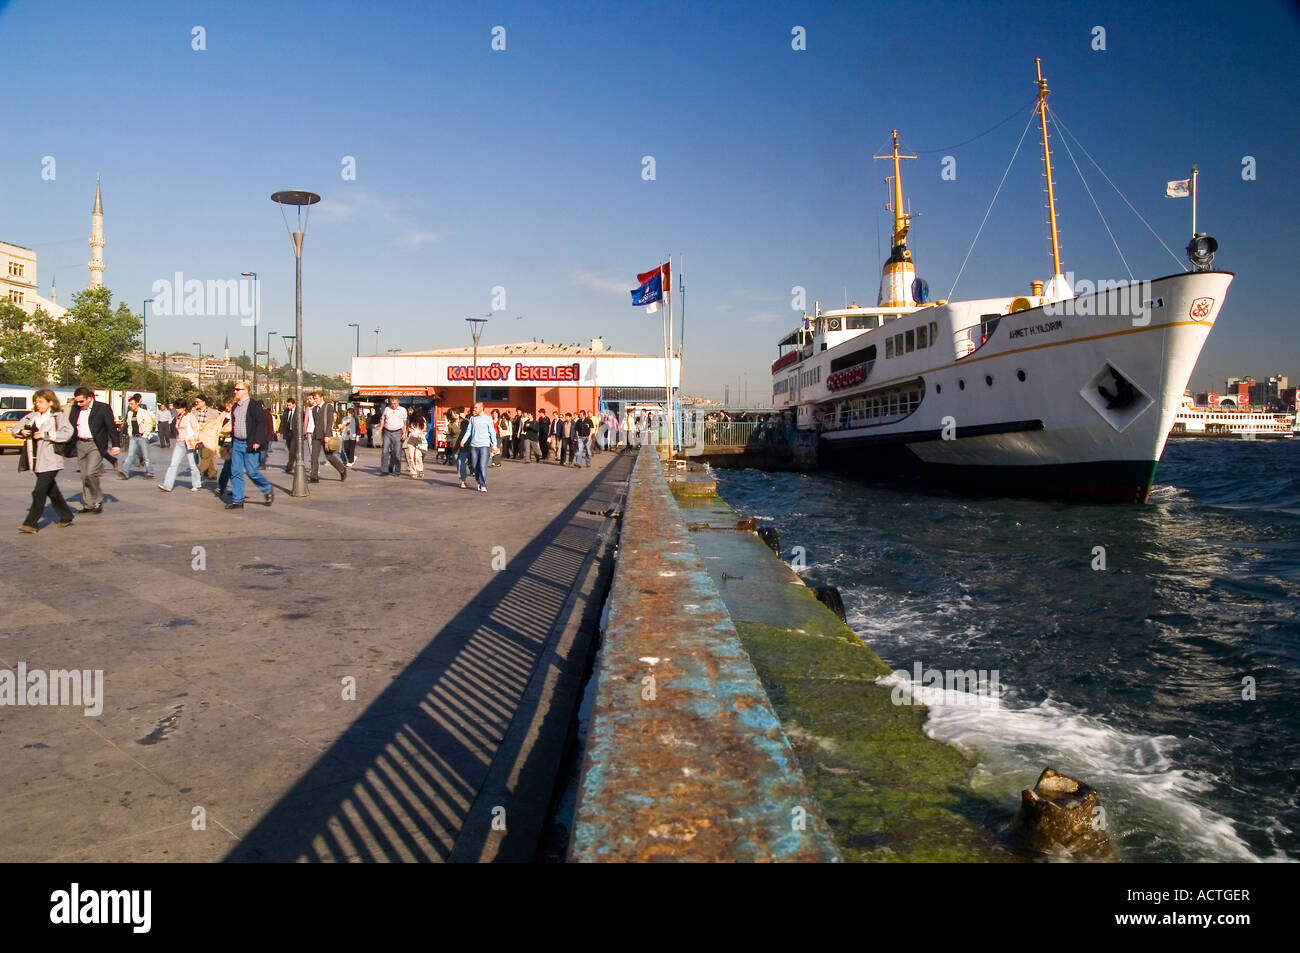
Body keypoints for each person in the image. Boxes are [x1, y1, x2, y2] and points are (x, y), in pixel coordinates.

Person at [12, 389, 76, 532]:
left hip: (51, 460)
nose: (38, 404)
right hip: (35, 460)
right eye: (36, 402)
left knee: (38, 492)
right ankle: (66, 516)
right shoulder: (32, 416)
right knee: (52, 491)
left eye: (41, 402)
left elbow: (68, 433)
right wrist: (21, 432)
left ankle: (30, 523)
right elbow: (15, 429)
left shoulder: (57, 416)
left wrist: (46, 435)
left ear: (50, 402)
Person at [66, 386, 121, 514]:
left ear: (89, 399)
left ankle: (97, 500)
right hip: (80, 443)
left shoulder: (102, 408)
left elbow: (111, 427)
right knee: (84, 475)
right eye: (77, 402)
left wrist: (116, 445)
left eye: (81, 401)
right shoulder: (75, 409)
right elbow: (70, 426)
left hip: (96, 444)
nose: (79, 404)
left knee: (91, 473)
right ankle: (88, 503)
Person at [225, 381, 273, 509]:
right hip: (237, 442)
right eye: (235, 389)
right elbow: (234, 425)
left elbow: (260, 423)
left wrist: (257, 441)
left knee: (252, 472)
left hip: (250, 443)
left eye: (238, 389)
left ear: (246, 390)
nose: (235, 391)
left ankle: (267, 489)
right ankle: (238, 500)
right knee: (235, 471)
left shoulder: (253, 405)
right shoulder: (235, 407)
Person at [157, 399, 203, 492]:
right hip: (179, 442)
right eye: (176, 407)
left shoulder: (190, 416)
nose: (177, 409)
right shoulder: (178, 417)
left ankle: (197, 484)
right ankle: (167, 485)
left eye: (179, 408)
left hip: (188, 442)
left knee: (192, 465)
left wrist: (196, 440)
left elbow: (196, 429)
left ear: (184, 408)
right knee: (173, 464)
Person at [307, 391, 347, 482]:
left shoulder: (328, 407)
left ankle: (342, 470)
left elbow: (330, 422)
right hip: (316, 435)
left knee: (329, 456)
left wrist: (328, 435)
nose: (315, 400)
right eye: (314, 398)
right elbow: (316, 423)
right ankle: (314, 477)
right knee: (314, 456)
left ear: (321, 398)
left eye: (316, 398)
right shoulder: (314, 409)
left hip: (326, 435)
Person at [459, 401, 497, 492]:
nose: (474, 409)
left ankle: (483, 484)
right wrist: (463, 440)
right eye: (474, 408)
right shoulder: (472, 418)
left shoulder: (488, 419)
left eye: (476, 408)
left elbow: (492, 433)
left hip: (484, 445)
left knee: (483, 465)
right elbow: (469, 431)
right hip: (474, 445)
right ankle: (479, 480)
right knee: (475, 465)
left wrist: (494, 445)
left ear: (481, 408)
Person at [117, 394, 156, 480]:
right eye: (130, 404)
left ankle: (150, 472)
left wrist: (145, 434)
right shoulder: (130, 413)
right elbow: (129, 424)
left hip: (142, 436)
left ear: (137, 403)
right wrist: (129, 433)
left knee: (146, 456)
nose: (131, 406)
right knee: (130, 455)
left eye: (132, 404)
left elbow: (149, 423)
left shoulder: (144, 412)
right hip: (133, 437)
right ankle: (125, 472)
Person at [191, 394, 221, 480]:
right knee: (204, 454)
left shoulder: (214, 412)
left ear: (203, 402)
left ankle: (199, 472)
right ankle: (212, 473)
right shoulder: (194, 413)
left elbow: (219, 421)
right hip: (198, 437)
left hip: (209, 437)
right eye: (195, 402)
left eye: (198, 402)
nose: (196, 403)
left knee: (206, 455)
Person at [378, 395, 407, 475]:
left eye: (395, 403)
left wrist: (404, 433)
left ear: (398, 402)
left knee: (397, 452)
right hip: (387, 432)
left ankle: (397, 470)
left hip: (398, 432)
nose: (393, 405)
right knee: (385, 451)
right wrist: (380, 427)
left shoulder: (403, 410)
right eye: (392, 403)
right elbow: (382, 419)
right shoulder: (387, 409)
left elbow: (405, 423)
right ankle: (384, 470)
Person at [403, 411, 427, 478]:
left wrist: (420, 434)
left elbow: (425, 430)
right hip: (411, 439)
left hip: (419, 439)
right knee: (411, 456)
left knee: (417, 456)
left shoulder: (423, 420)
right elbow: (408, 429)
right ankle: (413, 472)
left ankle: (419, 469)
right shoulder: (411, 421)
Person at [280, 397, 299, 474]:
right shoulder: (286, 411)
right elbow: (283, 422)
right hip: (288, 432)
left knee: (292, 450)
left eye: (290, 405)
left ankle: (289, 466)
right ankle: (296, 461)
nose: (288, 407)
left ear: (294, 404)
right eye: (287, 405)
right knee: (290, 449)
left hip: (295, 433)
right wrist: (279, 431)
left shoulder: (299, 412)